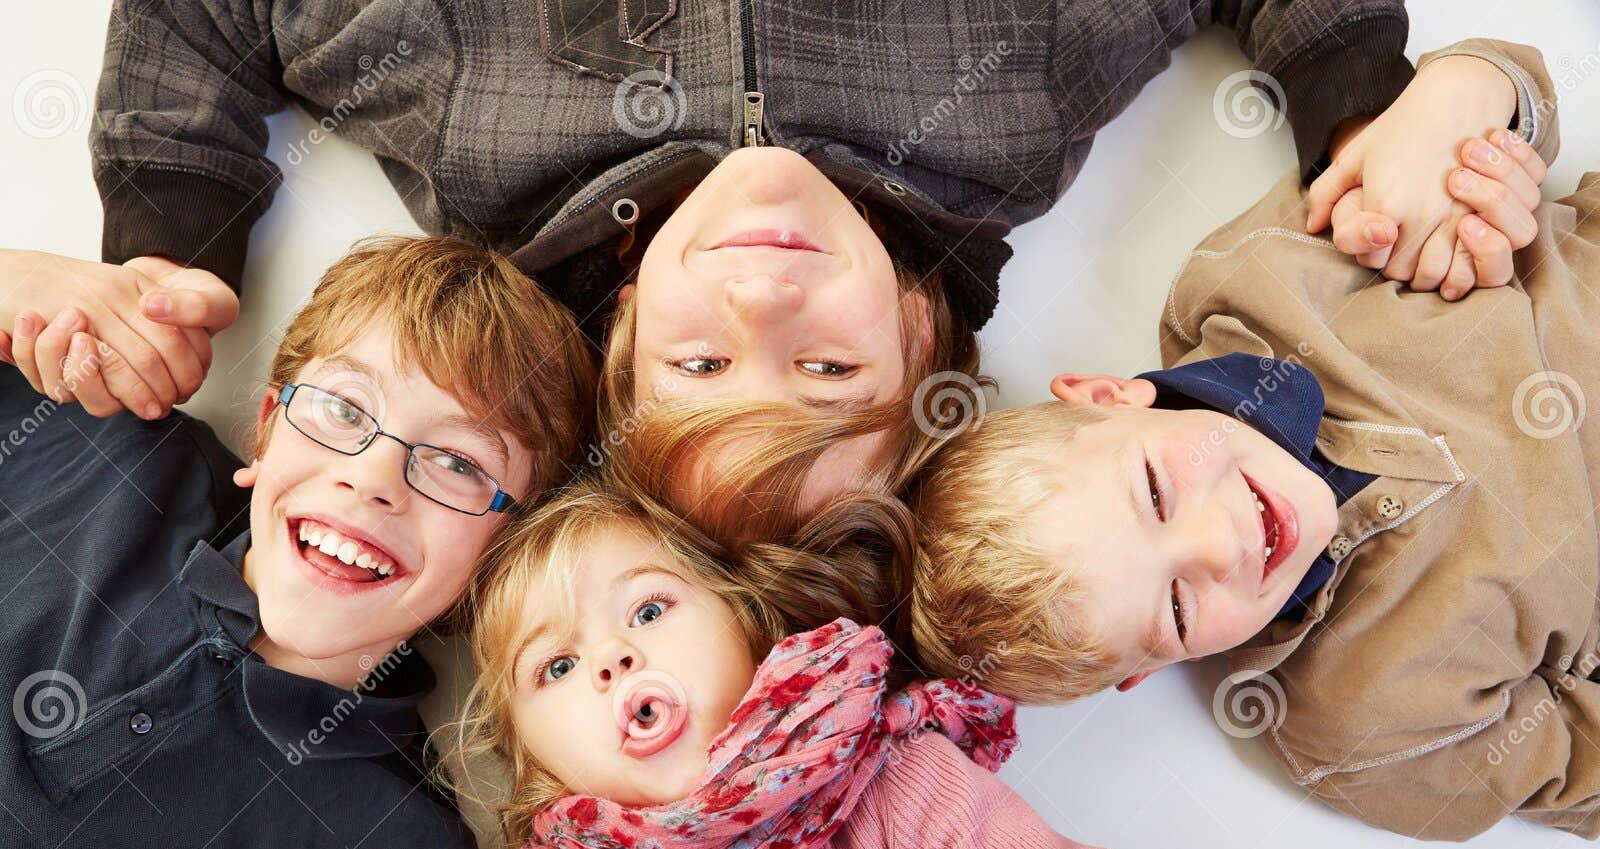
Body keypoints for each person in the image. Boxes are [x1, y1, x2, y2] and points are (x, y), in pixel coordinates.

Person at [1, 2, 1546, 522]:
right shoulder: (1005, 108)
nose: (760, 290)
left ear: (608, 349)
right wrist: (1369, 102)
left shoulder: (476, 143)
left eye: (697, 361)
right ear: (922, 327)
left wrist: (166, 234)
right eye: (827, 368)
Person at [908, 40, 1600, 842]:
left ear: (1108, 397)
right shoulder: (1364, 730)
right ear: (1151, 669)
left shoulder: (1265, 279)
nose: (1219, 541)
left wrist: (1467, 111)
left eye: (1156, 492)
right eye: (1174, 603)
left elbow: (1513, 93)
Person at [0, 235, 595, 849]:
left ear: (503, 554)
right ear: (270, 426)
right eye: (345, 411)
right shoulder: (111, 450)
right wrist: (16, 275)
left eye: (458, 463)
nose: (373, 478)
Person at [456, 481, 1183, 849]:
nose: (613, 657)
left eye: (649, 608)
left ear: (743, 620)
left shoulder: (894, 775)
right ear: (534, 760)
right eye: (556, 665)